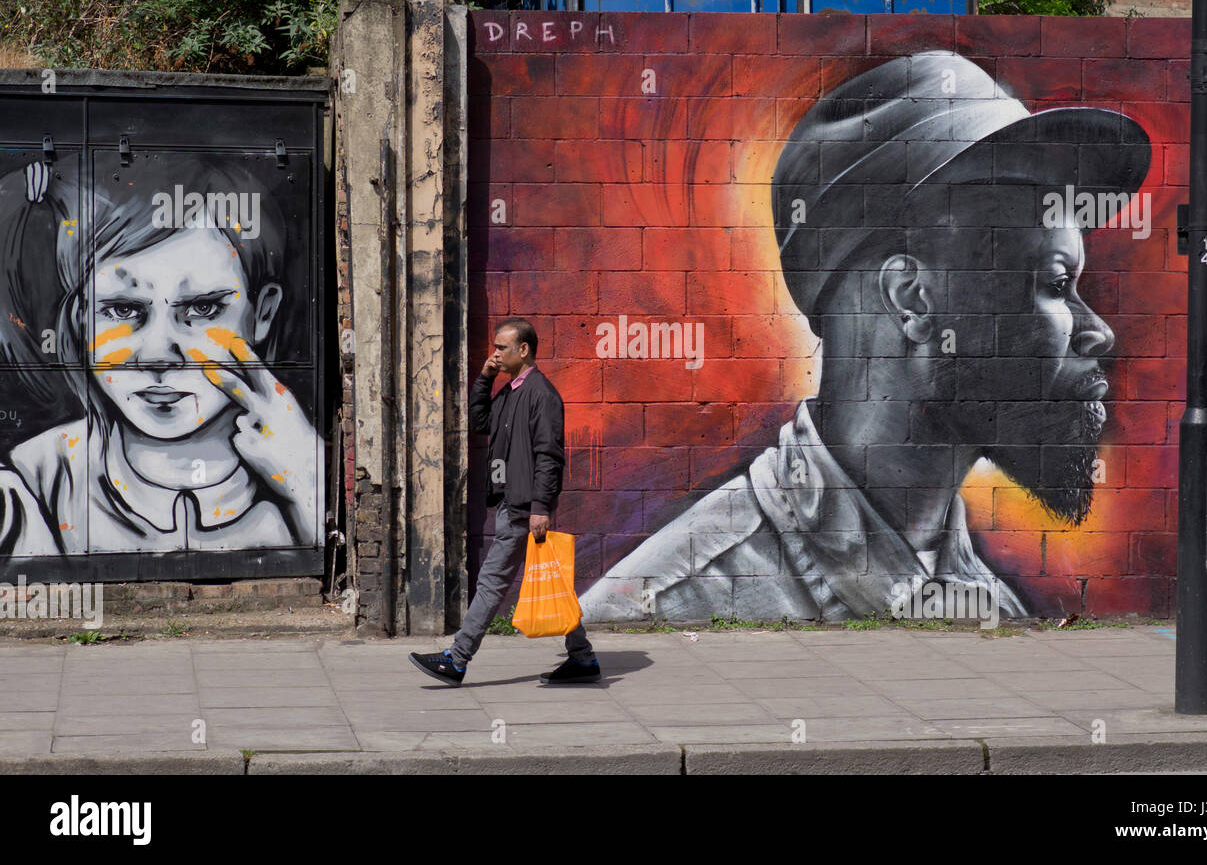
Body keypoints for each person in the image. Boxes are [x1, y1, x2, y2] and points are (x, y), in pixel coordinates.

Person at [580, 50, 1151, 623]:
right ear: (912, 298)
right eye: (1055, 282)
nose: (1097, 331)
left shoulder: (987, 599)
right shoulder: (661, 610)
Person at [0, 158, 322, 556]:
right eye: (121, 310)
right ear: (81, 320)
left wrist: (307, 476)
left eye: (202, 309)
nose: (158, 355)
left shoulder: (305, 475)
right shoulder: (33, 483)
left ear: (264, 312)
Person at [410, 318, 600, 686]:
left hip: (524, 506)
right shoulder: (512, 390)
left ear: (523, 350)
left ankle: (457, 659)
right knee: (554, 580)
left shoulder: (541, 395)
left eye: (501, 347)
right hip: (515, 502)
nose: (495, 352)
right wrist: (485, 378)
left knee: (492, 582)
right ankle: (583, 659)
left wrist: (541, 508)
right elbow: (481, 420)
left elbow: (549, 455)